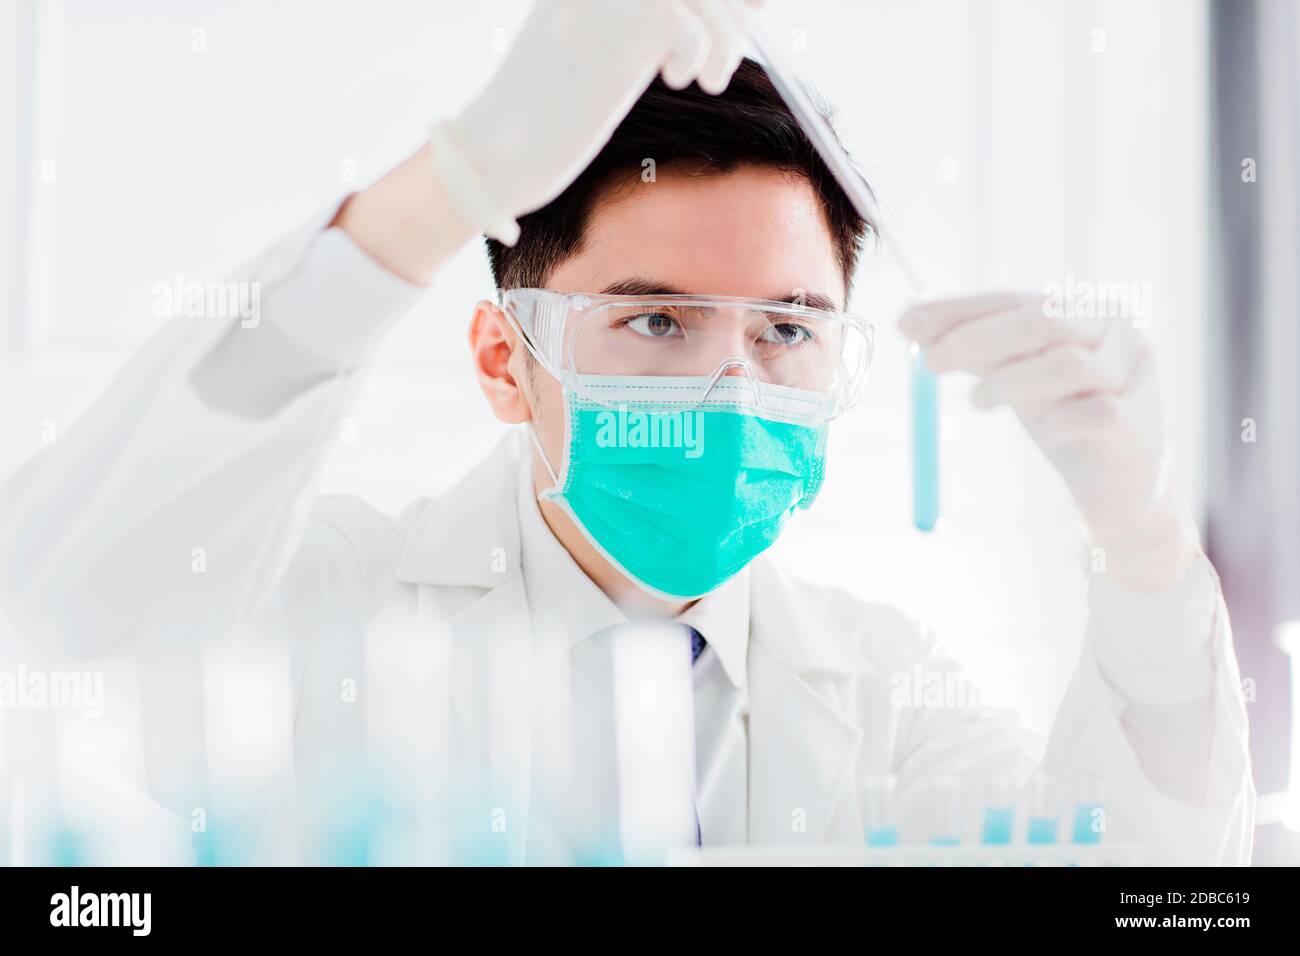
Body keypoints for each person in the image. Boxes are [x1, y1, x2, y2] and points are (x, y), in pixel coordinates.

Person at [0, 0, 1252, 864]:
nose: (731, 383)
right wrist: (457, 179)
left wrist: (1138, 540)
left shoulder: (884, 696)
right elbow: (61, 606)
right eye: (656, 321)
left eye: (788, 330)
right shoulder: (328, 605)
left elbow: (1156, 888)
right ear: (505, 360)